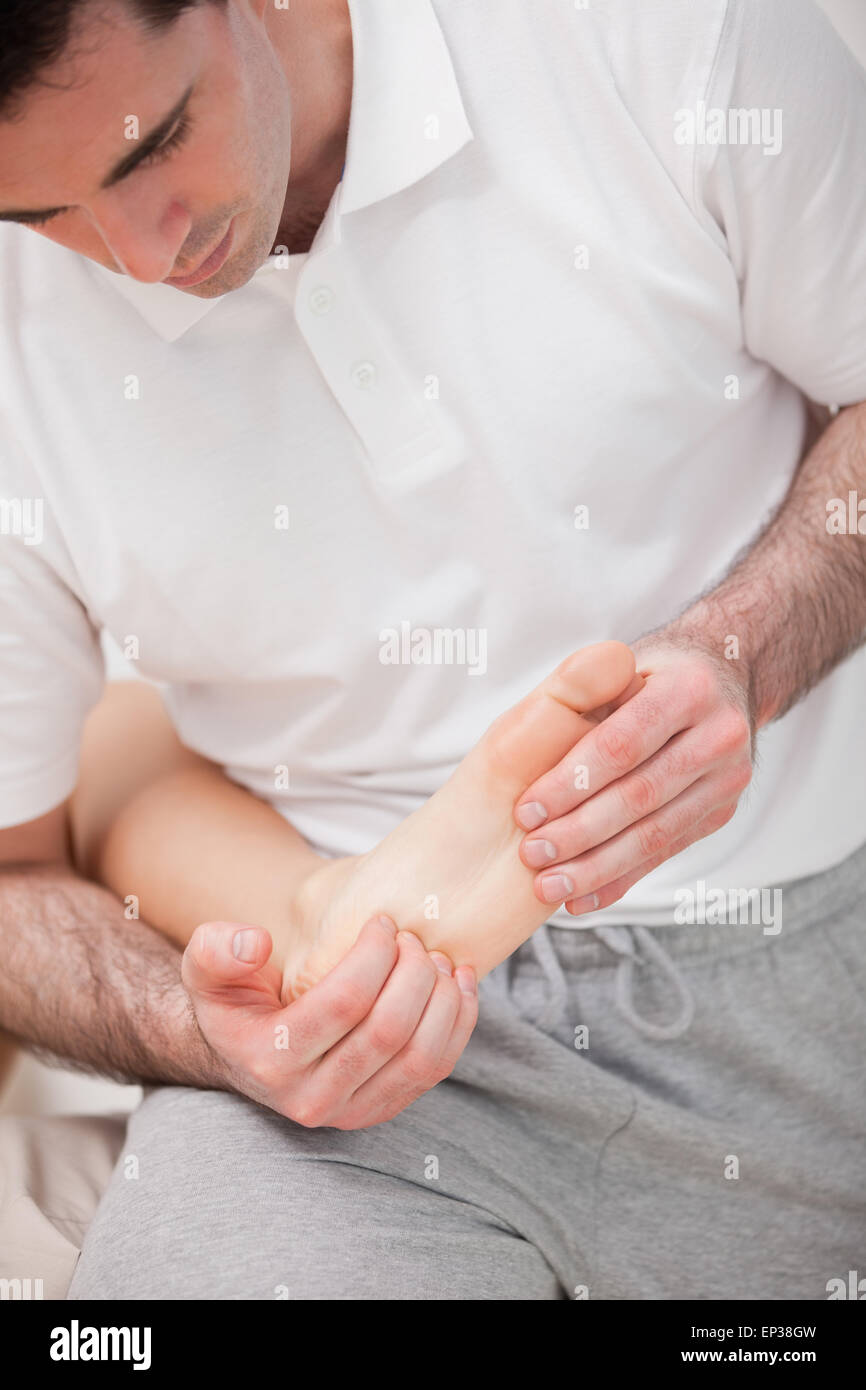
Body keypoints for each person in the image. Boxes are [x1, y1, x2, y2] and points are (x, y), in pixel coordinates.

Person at [0, 0, 864, 1300]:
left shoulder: (667, 36)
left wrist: (742, 651)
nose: (136, 254)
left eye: (153, 146)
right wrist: (202, 1030)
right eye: (39, 213)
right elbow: (13, 877)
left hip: (814, 936)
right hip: (350, 1058)